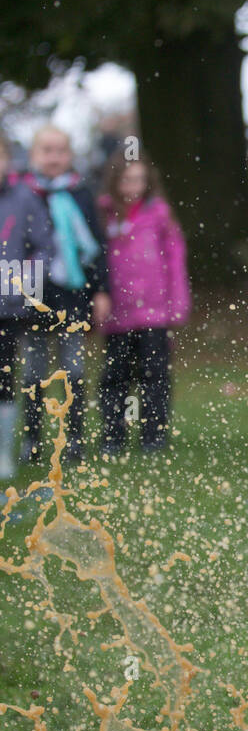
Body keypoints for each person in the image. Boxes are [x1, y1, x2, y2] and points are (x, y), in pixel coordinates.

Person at [16, 126, 111, 463]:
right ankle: (32, 441)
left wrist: (101, 290)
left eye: (60, 151)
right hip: (33, 292)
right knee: (33, 372)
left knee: (74, 370)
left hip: (73, 292)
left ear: (70, 156)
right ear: (33, 156)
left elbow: (96, 246)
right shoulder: (20, 194)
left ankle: (74, 440)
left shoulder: (81, 194)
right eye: (46, 150)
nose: (53, 158)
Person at [97, 149, 191, 455]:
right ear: (115, 181)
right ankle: (114, 435)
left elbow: (176, 262)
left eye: (139, 179)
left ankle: (153, 435)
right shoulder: (104, 214)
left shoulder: (159, 214)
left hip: (154, 311)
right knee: (116, 377)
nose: (133, 186)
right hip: (117, 312)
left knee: (155, 375)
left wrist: (177, 305)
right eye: (126, 179)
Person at [0, 135, 53, 481]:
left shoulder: (25, 200)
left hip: (8, 309)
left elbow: (45, 248)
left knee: (4, 381)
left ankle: (3, 454)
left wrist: (22, 292)